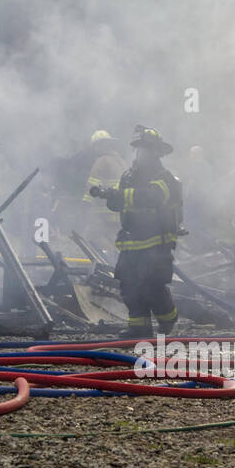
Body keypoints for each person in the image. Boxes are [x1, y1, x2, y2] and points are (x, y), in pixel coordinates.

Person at [90, 127, 183, 339]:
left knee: (152, 287)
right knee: (129, 287)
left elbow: (152, 197)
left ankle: (169, 320)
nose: (141, 154)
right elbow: (118, 204)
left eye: (147, 150)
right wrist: (111, 197)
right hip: (131, 242)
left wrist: (121, 195)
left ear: (157, 153)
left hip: (155, 243)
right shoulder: (128, 176)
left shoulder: (165, 178)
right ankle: (139, 329)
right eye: (139, 150)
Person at [80, 130, 127, 251]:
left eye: (96, 146)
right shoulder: (123, 162)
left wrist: (86, 204)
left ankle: (107, 260)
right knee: (114, 238)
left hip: (104, 212)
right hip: (120, 213)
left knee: (91, 235)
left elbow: (92, 186)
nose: (95, 149)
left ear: (101, 145)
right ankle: (116, 260)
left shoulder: (101, 161)